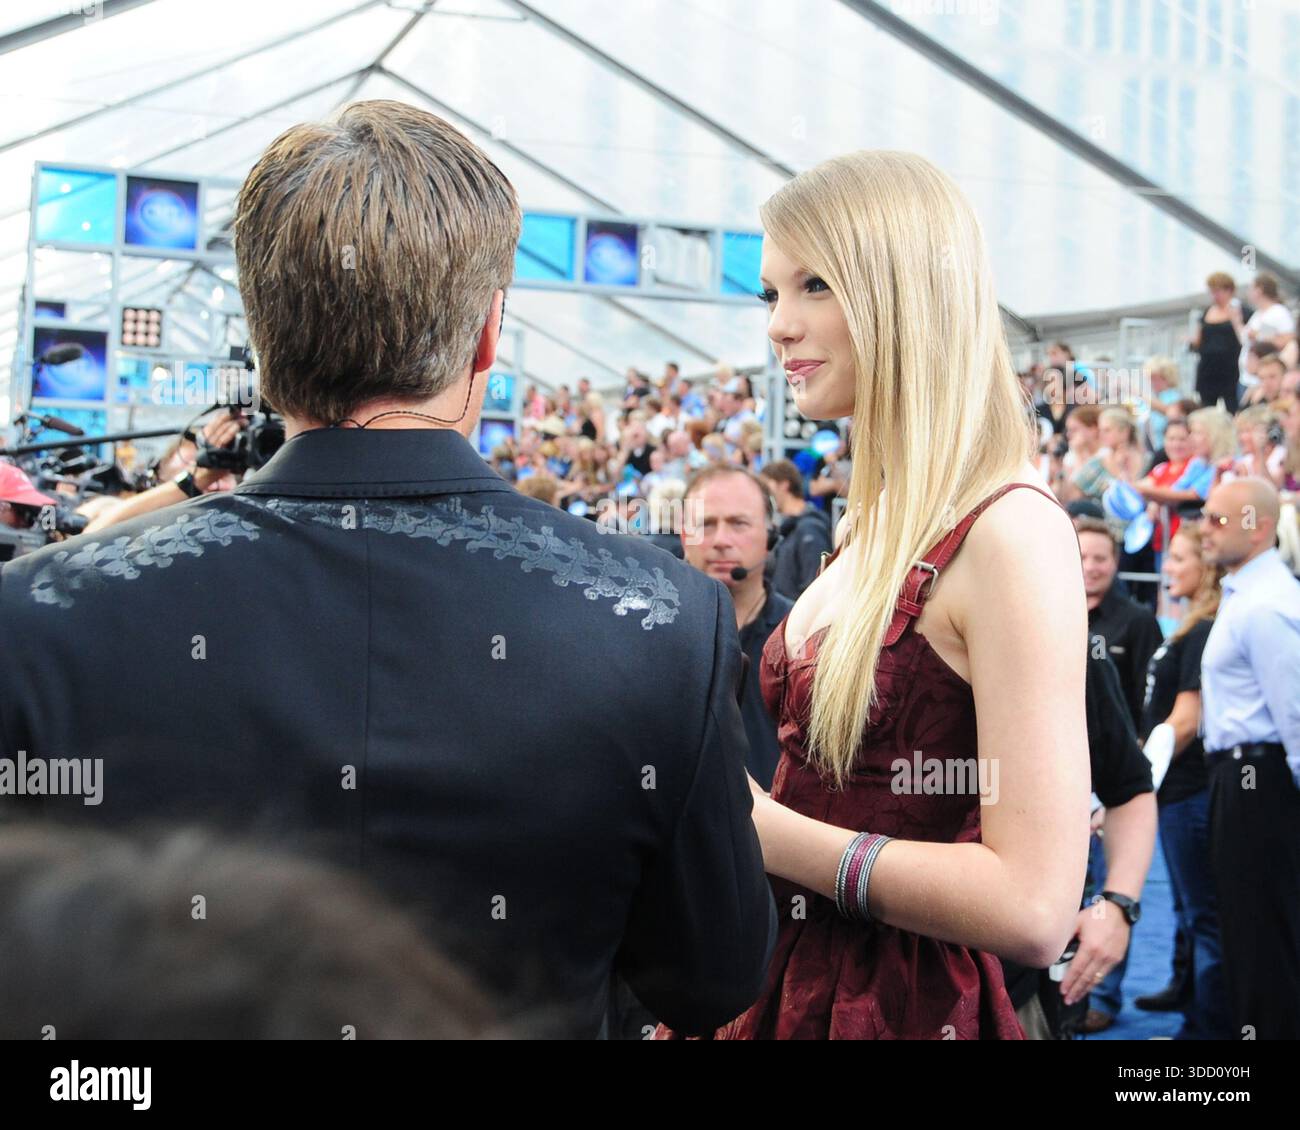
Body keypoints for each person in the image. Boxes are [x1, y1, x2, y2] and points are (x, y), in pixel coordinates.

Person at [0, 101, 776, 1038]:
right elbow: (713, 976)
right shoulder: (660, 621)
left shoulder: (43, 613)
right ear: (490, 337)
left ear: (262, 335)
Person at [661, 151, 1090, 1040]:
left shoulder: (1010, 530)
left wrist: (766, 832)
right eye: (771, 293)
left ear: (908, 293)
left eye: (815, 285)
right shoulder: (881, 516)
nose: (779, 325)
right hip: (784, 976)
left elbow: (1036, 907)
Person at [1199, 477, 1300, 1039]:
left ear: (1257, 527)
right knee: (1248, 925)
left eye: (1217, 520)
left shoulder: (1267, 606)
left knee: (1262, 932)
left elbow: (1296, 716)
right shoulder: (1251, 596)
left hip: (1257, 782)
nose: (1204, 530)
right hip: (1241, 778)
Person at [1139, 525, 1231, 1039]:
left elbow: (1186, 720)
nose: (1167, 567)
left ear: (1206, 567)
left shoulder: (1204, 630)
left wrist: (1134, 781)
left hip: (1190, 791)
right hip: (1179, 792)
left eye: (1177, 558)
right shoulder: (1189, 625)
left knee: (1204, 914)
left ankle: (1207, 1031)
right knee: (1188, 906)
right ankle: (1188, 994)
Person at [680, 466, 791, 790]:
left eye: (738, 524)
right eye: (706, 524)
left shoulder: (803, 637)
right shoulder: (651, 632)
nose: (721, 541)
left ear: (770, 537)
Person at [1076, 517, 1163, 730]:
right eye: (1081, 557)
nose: (1090, 567)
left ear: (1115, 562)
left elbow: (1150, 696)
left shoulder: (1138, 620)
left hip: (1118, 751)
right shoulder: (1052, 617)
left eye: (1100, 558)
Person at [761, 459, 833, 601]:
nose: (764, 494)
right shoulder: (787, 529)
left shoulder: (810, 528)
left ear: (784, 485)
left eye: (766, 487)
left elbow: (815, 585)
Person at [1190, 272, 1248, 412]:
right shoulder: (1206, 313)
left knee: (1233, 409)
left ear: (1229, 290)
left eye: (1218, 291)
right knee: (1206, 409)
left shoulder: (1242, 312)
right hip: (1208, 370)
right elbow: (1198, 340)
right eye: (1212, 292)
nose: (1215, 296)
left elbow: (1244, 338)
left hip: (1232, 371)